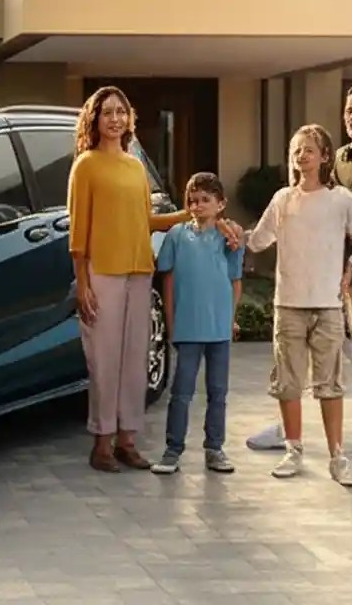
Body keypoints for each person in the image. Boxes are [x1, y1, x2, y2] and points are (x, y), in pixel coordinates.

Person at [244, 84, 352, 472]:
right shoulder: (337, 160)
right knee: (296, 358)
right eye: (348, 111)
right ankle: (290, 433)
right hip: (320, 276)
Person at [68, 85, 242, 473]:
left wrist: (193, 216)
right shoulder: (87, 165)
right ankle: (102, 444)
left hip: (139, 272)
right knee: (104, 361)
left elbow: (144, 220)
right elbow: (78, 230)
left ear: (129, 119)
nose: (115, 119)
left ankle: (128, 440)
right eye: (107, 112)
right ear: (94, 119)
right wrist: (82, 281)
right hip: (103, 272)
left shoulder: (135, 166)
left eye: (121, 112)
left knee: (135, 360)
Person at [244, 123, 352, 487]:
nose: (302, 156)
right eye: (297, 150)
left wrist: (350, 271)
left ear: (325, 156)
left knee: (330, 384)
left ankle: (337, 457)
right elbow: (257, 240)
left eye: (309, 149)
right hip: (289, 304)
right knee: (288, 383)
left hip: (327, 307)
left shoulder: (341, 200)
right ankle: (293, 450)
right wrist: (229, 233)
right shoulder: (283, 199)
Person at [149, 172, 244, 476]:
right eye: (193, 200)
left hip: (218, 328)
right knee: (182, 391)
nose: (198, 205)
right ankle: (172, 449)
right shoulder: (177, 235)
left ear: (221, 203)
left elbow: (235, 281)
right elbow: (168, 279)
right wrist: (170, 319)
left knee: (218, 391)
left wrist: (231, 319)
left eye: (206, 199)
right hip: (188, 327)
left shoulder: (230, 237)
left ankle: (214, 448)